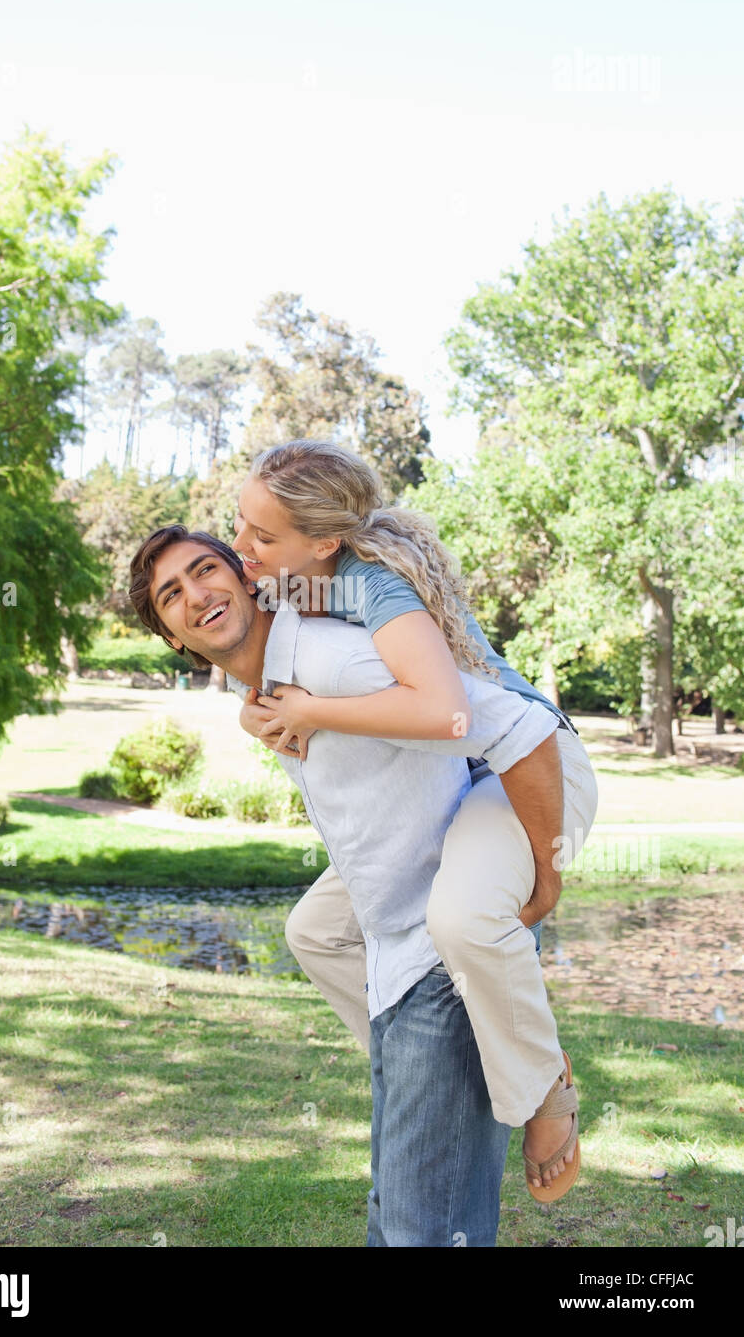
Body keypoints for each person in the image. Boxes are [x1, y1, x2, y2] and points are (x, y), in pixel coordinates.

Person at [128, 524, 590, 1246]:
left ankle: (519, 1068)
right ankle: (483, 1043)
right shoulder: (272, 685)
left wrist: (545, 874)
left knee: (417, 1228)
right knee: (312, 932)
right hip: (402, 915)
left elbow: (512, 729)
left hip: (467, 883)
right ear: (174, 640)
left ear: (246, 576)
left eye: (205, 569)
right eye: (172, 595)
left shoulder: (335, 655)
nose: (197, 594)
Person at [230, 440, 598, 1198]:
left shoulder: (374, 583)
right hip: (464, 780)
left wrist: (548, 868)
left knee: (463, 921)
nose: (242, 550)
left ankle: (541, 1090)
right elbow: (253, 657)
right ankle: (423, 1073)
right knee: (316, 932)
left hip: (529, 767)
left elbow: (447, 710)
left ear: (323, 540)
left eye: (262, 537)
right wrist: (259, 713)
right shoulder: (301, 581)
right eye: (240, 525)